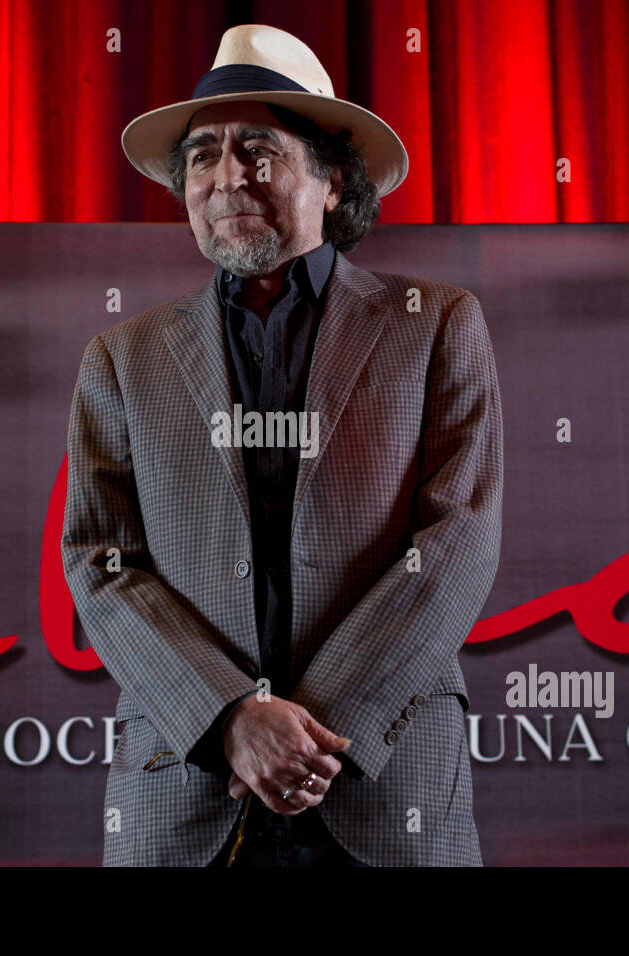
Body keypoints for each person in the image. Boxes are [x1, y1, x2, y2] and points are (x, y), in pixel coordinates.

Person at [62, 24, 502, 866]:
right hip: (184, 796)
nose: (228, 175)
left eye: (258, 148)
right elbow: (99, 561)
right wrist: (230, 719)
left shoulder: (436, 326)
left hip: (384, 790)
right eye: (202, 155)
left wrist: (304, 736)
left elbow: (458, 545)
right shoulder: (123, 358)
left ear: (333, 179)